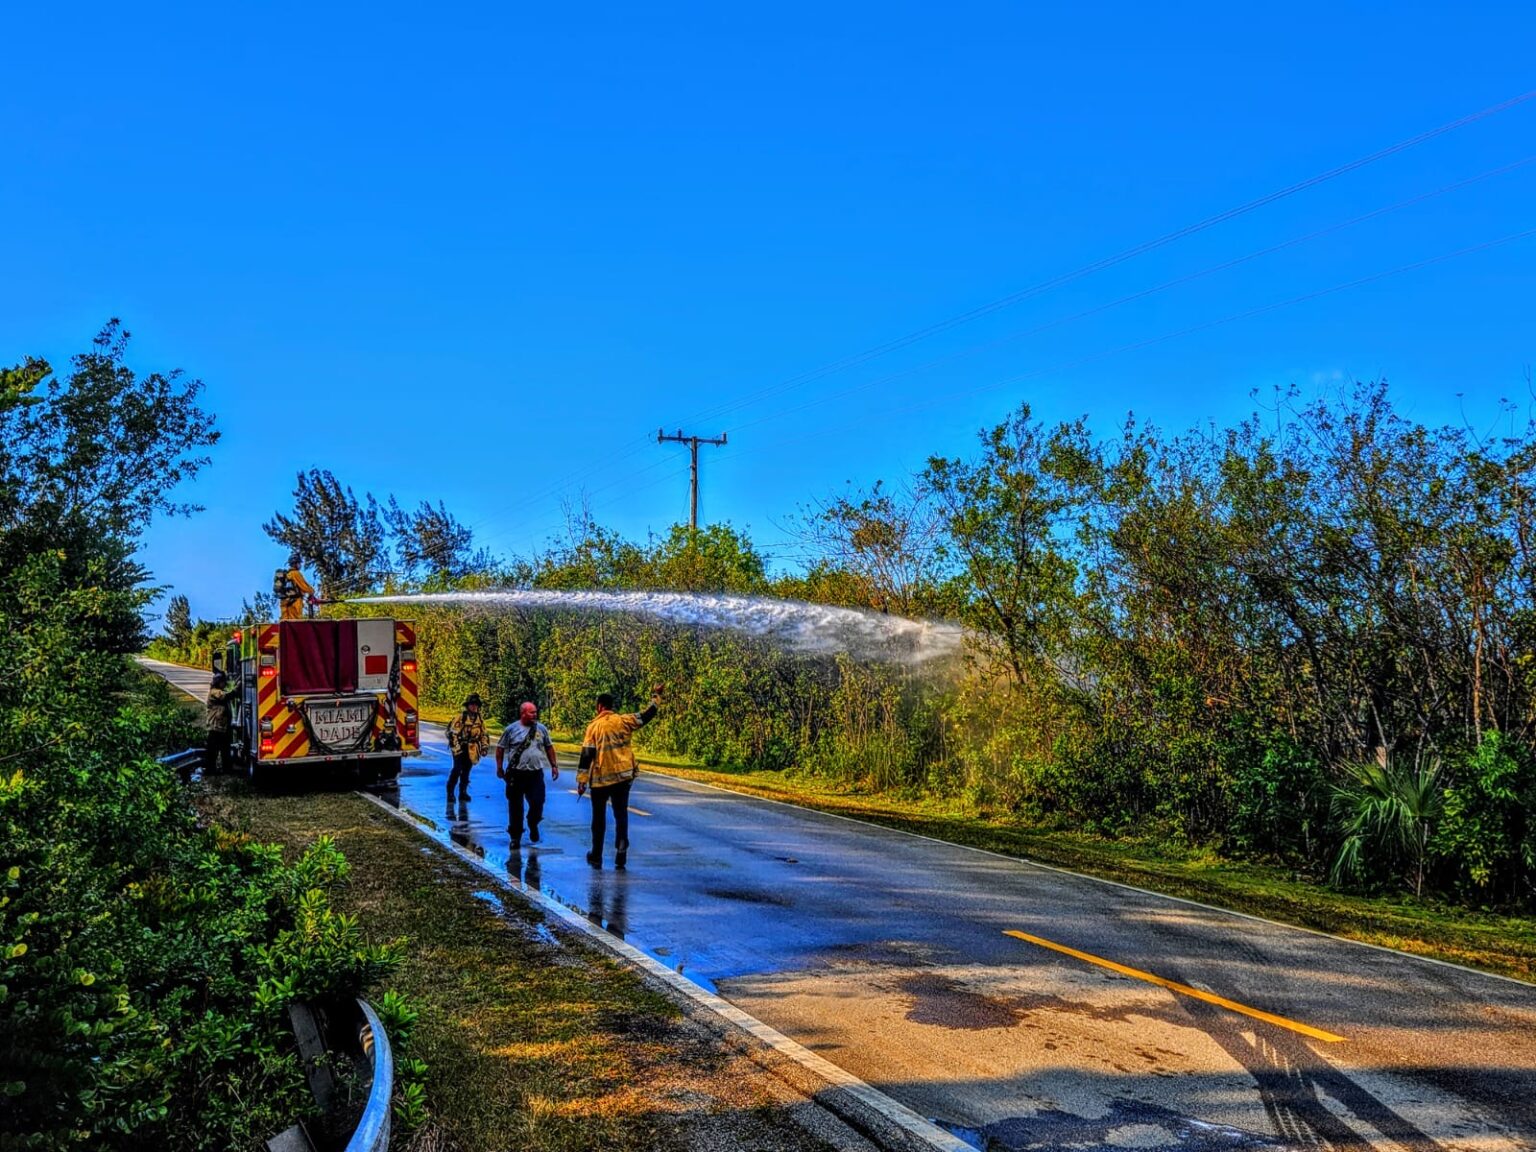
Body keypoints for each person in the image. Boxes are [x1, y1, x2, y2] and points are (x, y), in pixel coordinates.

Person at [577, 686, 661, 870]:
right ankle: (621, 845)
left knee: (598, 818)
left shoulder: (593, 727)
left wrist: (582, 780)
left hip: (601, 780)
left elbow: (586, 755)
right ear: (611, 706)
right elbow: (647, 715)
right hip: (623, 776)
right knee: (621, 813)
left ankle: (596, 855)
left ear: (599, 707)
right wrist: (656, 696)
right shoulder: (624, 720)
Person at [496, 702, 558, 849]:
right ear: (523, 713)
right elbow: (500, 748)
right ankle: (515, 836)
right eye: (532, 713)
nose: (535, 715)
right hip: (516, 774)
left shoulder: (541, 729)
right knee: (515, 806)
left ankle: (533, 822)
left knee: (538, 802)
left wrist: (554, 765)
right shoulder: (511, 729)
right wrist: (499, 767)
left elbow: (549, 747)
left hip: (535, 774)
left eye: (535, 712)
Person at [445, 693, 487, 802]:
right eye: (472, 704)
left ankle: (463, 792)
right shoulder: (461, 718)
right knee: (457, 769)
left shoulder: (479, 719)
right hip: (459, 746)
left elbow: (483, 734)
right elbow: (453, 734)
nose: (474, 706)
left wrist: (484, 747)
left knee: (467, 770)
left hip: (472, 748)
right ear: (468, 706)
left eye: (476, 704)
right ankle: (450, 792)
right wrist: (457, 749)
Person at [200, 670, 235, 783]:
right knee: (213, 750)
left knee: (225, 749)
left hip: (221, 726)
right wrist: (237, 689)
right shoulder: (215, 692)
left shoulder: (217, 691)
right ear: (218, 682)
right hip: (216, 726)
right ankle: (211, 769)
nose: (224, 684)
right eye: (223, 682)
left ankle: (226, 768)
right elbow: (226, 696)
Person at [278, 551, 319, 621]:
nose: (300, 565)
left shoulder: (286, 575)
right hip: (294, 603)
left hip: (284, 603)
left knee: (285, 623)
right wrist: (312, 591)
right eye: (299, 563)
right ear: (295, 564)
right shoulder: (296, 574)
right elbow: (305, 587)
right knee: (295, 622)